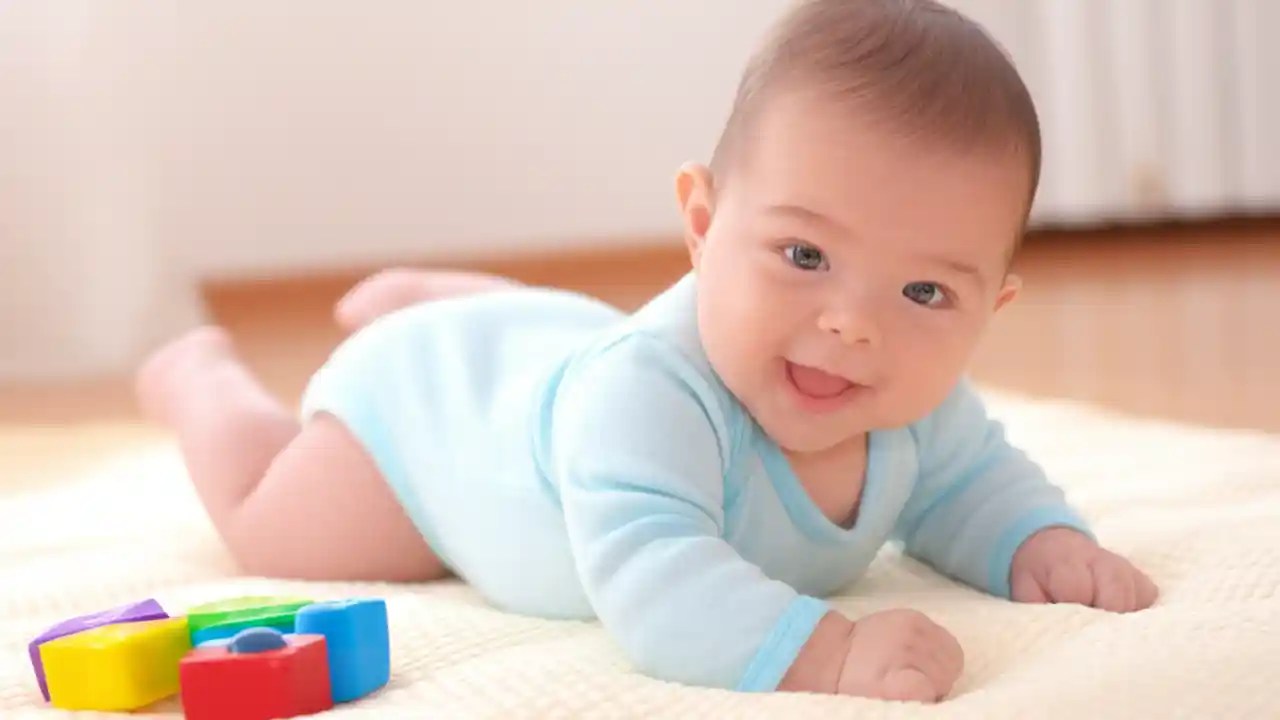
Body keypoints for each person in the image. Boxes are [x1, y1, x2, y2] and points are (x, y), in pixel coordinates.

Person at [136, 0, 1157, 703]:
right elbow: (653, 581)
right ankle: (207, 382)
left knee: (572, 343)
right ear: (702, 224)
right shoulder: (649, 397)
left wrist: (1037, 541)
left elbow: (971, 485)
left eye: (923, 291)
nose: (854, 322)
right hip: (435, 436)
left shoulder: (912, 400)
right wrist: (828, 650)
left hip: (556, 353)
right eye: (803, 254)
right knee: (281, 530)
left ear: (989, 309)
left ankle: (458, 301)